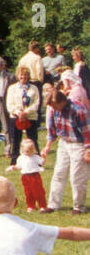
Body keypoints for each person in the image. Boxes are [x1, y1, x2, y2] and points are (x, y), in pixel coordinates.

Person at [40, 86, 88, 214]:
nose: (53, 108)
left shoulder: (78, 110)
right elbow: (52, 131)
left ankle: (79, 207)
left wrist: (88, 150)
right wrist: (47, 147)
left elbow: (87, 132)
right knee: (59, 174)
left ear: (62, 102)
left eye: (54, 106)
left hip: (79, 145)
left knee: (77, 177)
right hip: (64, 143)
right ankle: (53, 205)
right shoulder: (54, 110)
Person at [5, 67, 41, 161]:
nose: (23, 77)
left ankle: (37, 161)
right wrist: (18, 112)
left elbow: (36, 103)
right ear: (18, 75)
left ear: (28, 76)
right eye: (21, 75)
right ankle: (15, 160)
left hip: (30, 116)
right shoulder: (12, 88)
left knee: (32, 139)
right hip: (16, 117)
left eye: (25, 75)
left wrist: (26, 112)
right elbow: (9, 104)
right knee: (16, 140)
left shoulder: (34, 88)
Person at [8, 138, 46, 212]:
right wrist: (13, 167)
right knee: (28, 192)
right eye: (26, 151)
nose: (28, 153)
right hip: (25, 177)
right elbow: (19, 166)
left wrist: (44, 157)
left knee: (39, 192)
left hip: (35, 176)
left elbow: (42, 162)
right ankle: (31, 206)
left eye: (31, 151)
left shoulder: (35, 157)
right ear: (22, 150)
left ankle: (42, 205)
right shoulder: (21, 158)